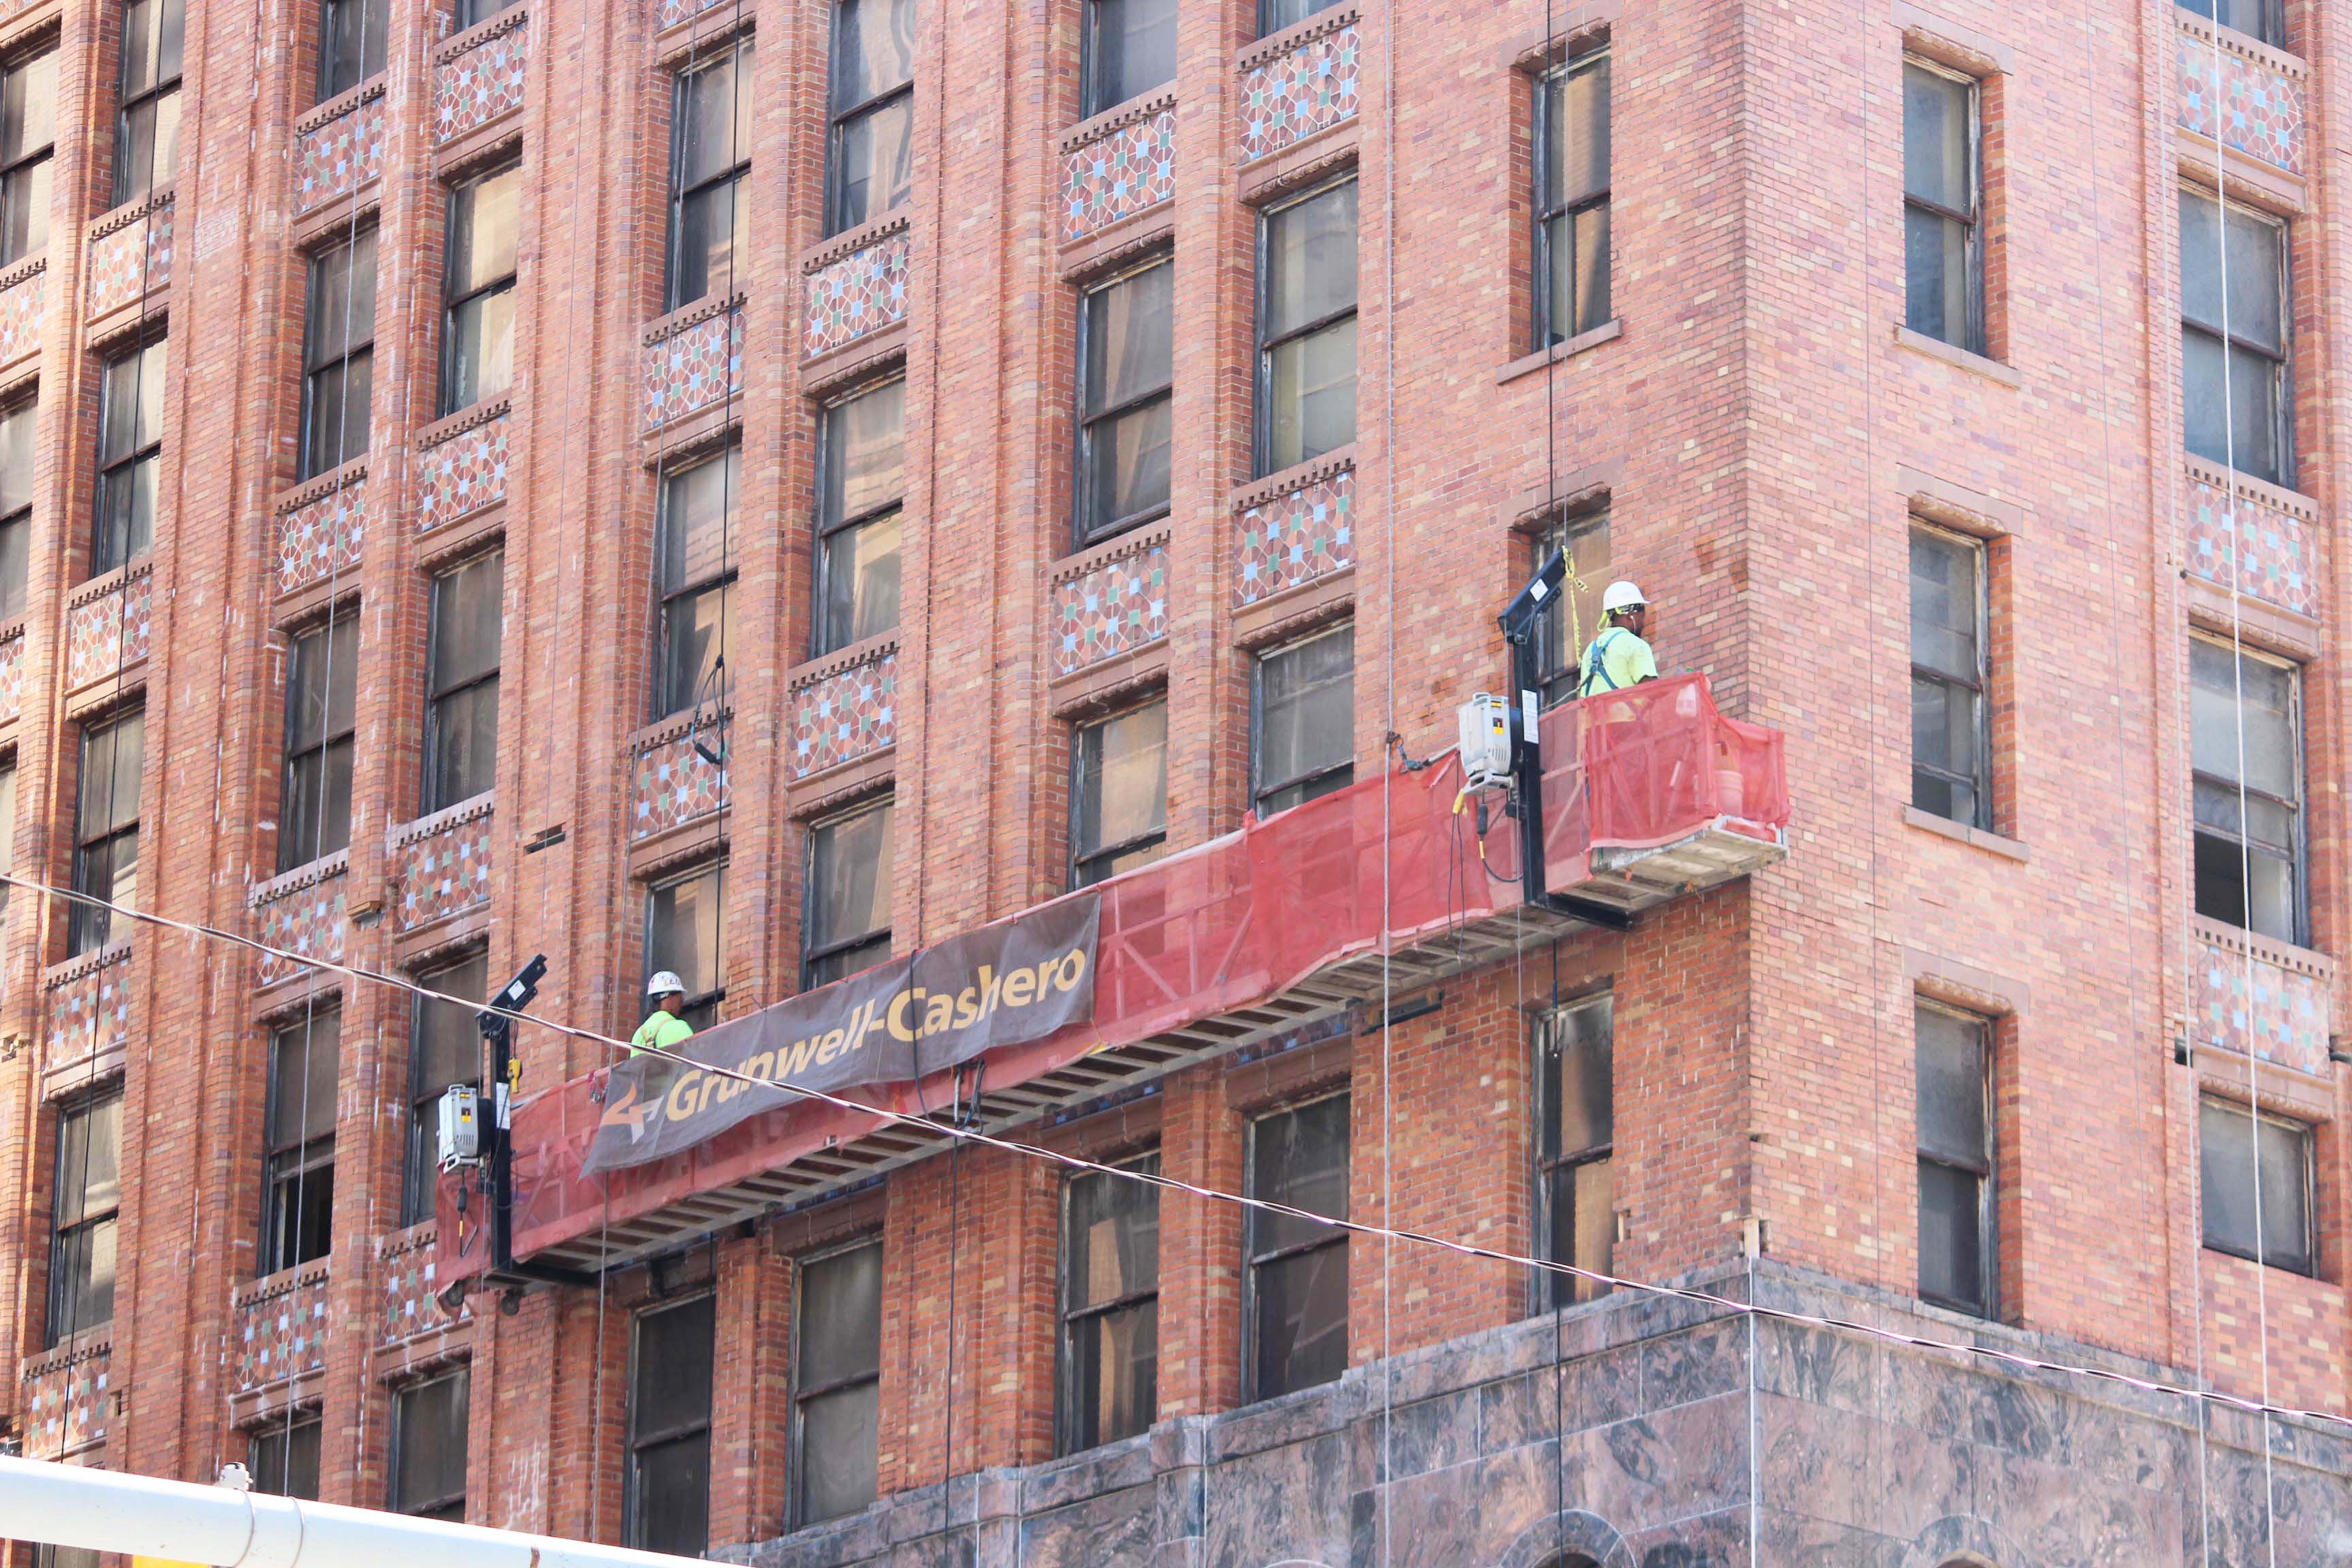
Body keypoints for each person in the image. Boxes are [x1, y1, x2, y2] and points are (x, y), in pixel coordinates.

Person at [1578, 580, 1659, 698]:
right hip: (1629, 716)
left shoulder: (1590, 651)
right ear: (1632, 614)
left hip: (1598, 716)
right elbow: (1652, 692)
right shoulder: (1636, 645)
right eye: (1642, 617)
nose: (1643, 624)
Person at [631, 971, 696, 1056]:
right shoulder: (679, 1027)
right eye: (680, 999)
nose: (681, 1004)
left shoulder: (638, 1035)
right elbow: (696, 1062)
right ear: (670, 997)